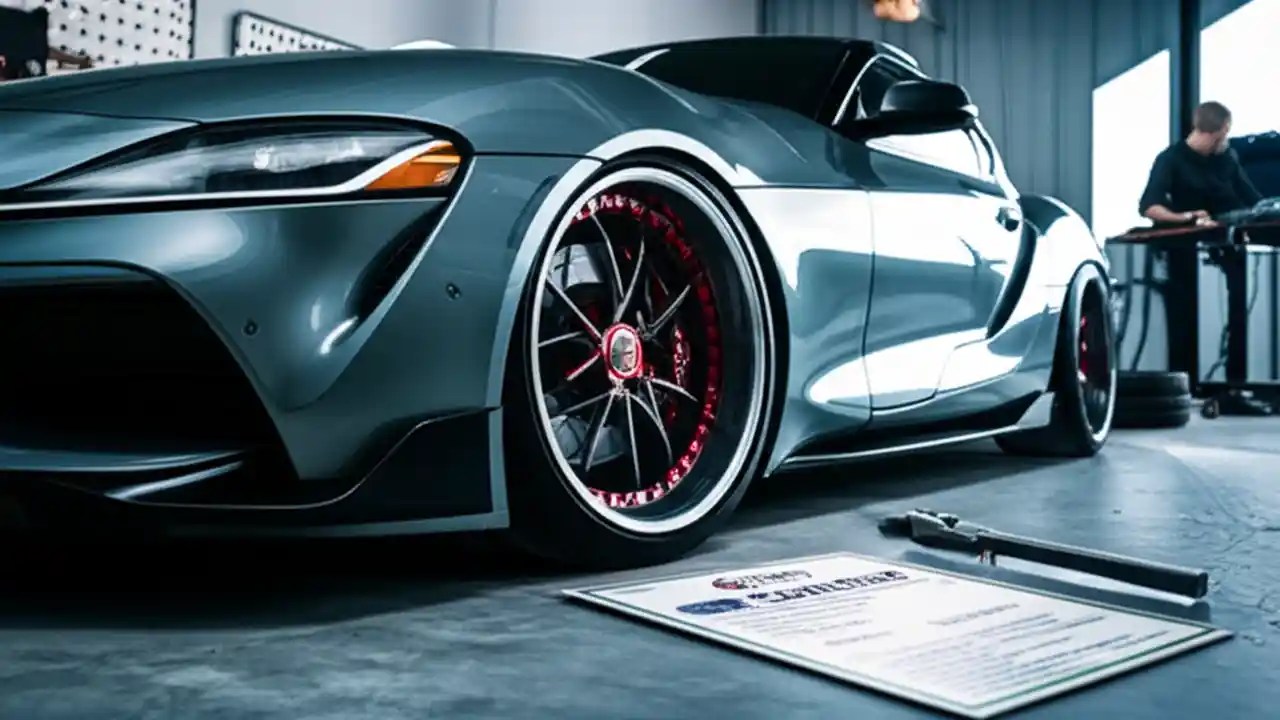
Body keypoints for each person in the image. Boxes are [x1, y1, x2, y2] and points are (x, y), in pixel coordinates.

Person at [1139, 101, 1262, 227]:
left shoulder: (1227, 157)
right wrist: (1188, 217)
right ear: (1221, 130)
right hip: (1194, 230)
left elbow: (1252, 199)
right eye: (1224, 133)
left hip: (1231, 226)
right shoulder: (1170, 159)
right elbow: (1149, 207)